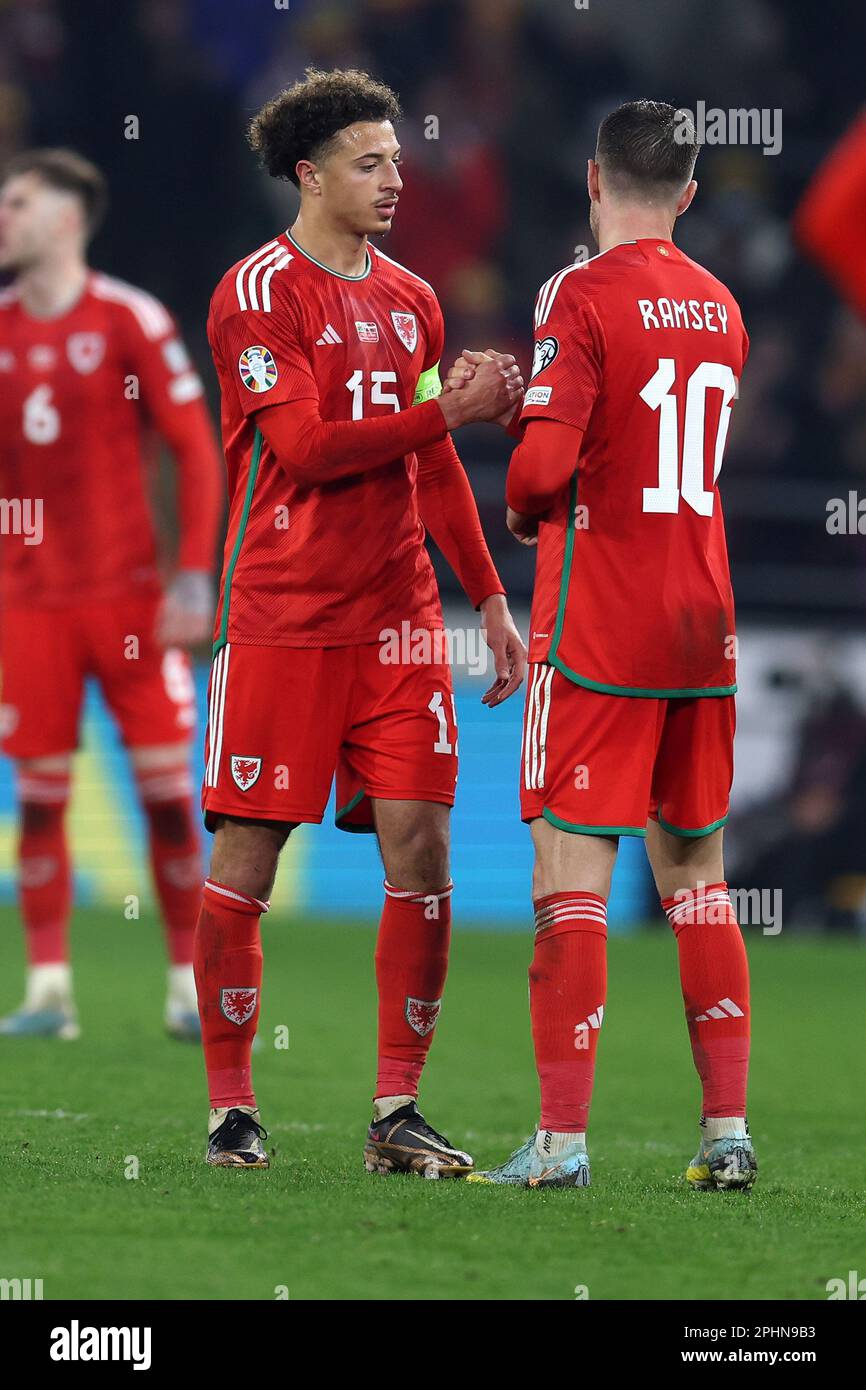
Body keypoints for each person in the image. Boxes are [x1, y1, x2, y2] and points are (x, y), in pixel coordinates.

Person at [198, 68, 526, 1171]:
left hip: (400, 622)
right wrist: (452, 410)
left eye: (395, 160)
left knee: (422, 848)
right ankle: (231, 1107)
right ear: (309, 174)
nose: (394, 179)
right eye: (369, 162)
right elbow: (304, 451)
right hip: (283, 617)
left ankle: (395, 1108)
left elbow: (431, 465)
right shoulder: (256, 294)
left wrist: (489, 596)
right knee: (249, 858)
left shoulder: (413, 299)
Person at [449, 100, 755, 1191]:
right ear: (687, 193)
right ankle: (725, 1136)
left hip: (600, 623)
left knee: (569, 874)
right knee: (698, 878)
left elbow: (543, 474)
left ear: (592, 179)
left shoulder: (576, 293)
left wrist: (521, 490)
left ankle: (561, 1144)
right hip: (704, 621)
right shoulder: (722, 305)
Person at [0, 148, 223, 1040]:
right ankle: (49, 991)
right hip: (29, 605)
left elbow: (195, 447)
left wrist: (194, 572)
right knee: (39, 796)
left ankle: (186, 989)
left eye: (17, 204)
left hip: (133, 602)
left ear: (65, 218)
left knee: (167, 797)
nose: (4, 218)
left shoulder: (130, 318)